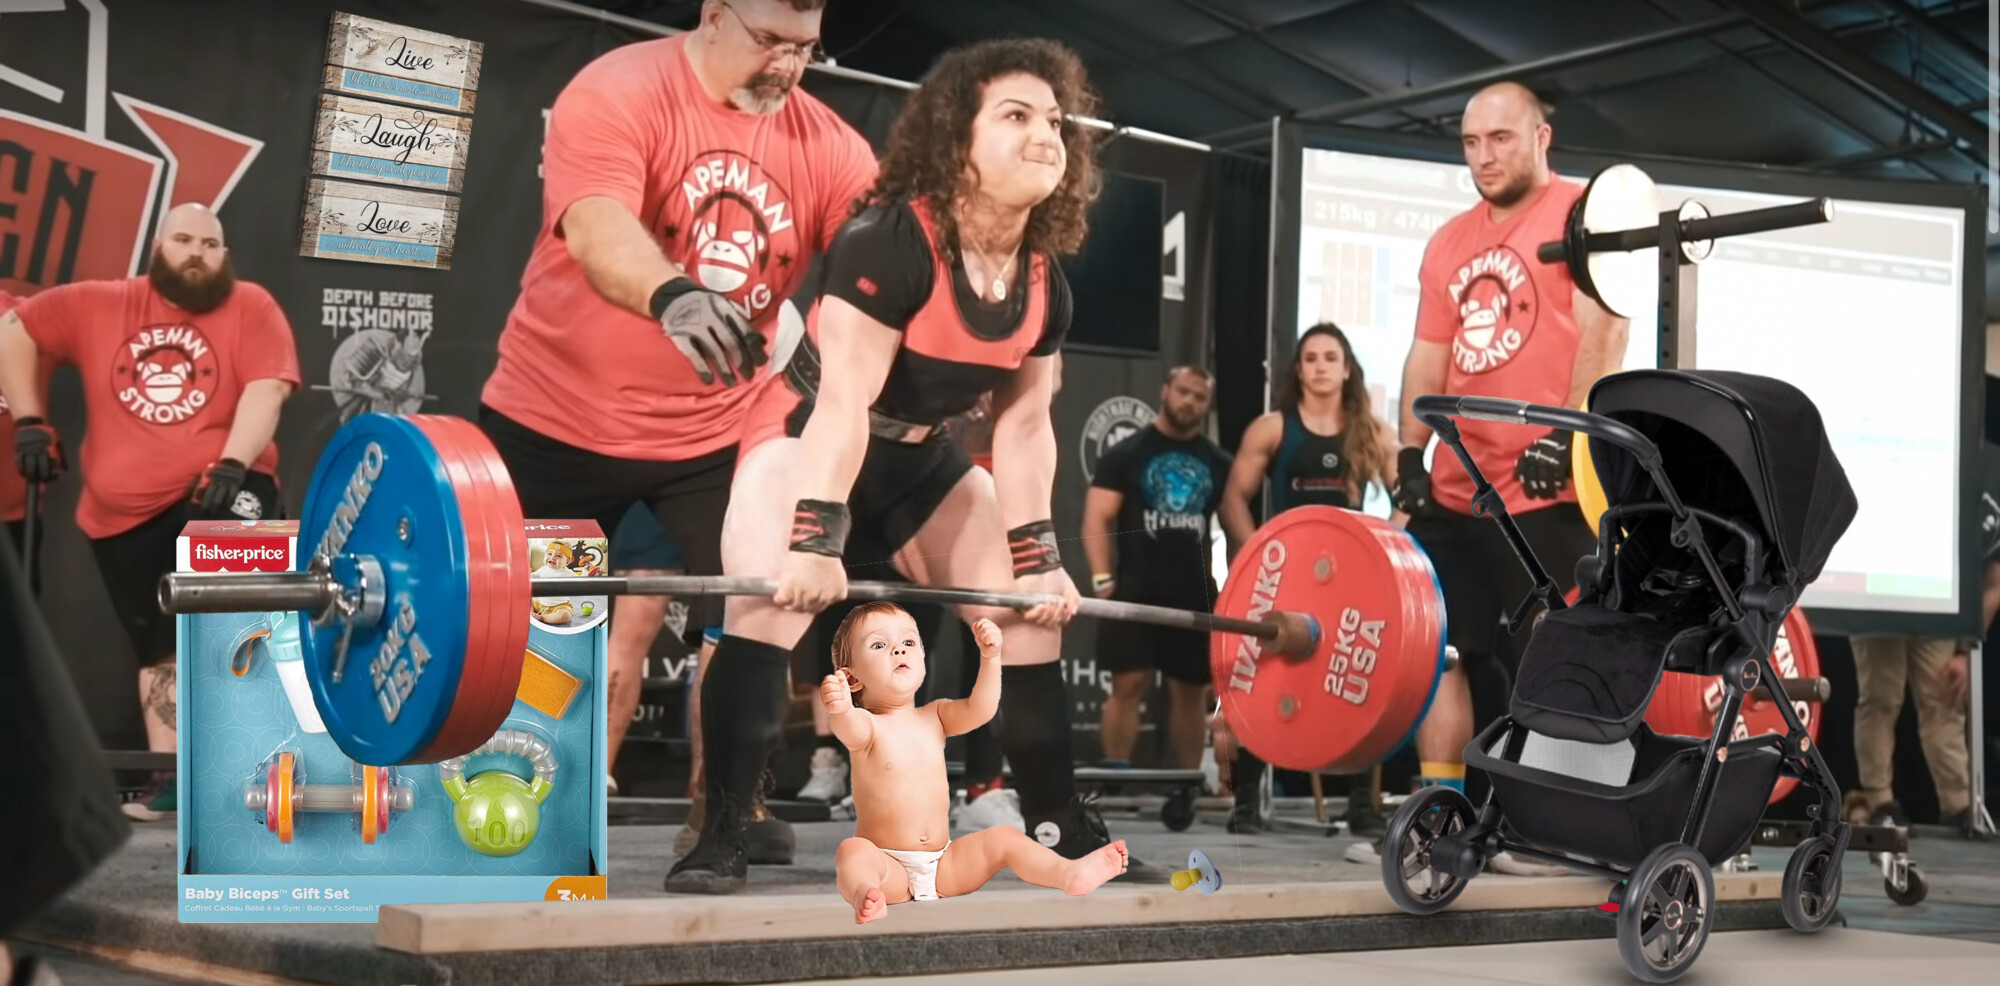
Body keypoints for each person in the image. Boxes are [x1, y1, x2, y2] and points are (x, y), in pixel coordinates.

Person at [675, 37, 1168, 894]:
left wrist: (1039, 556)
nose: (1045, 133)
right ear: (956, 139)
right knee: (761, 596)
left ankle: (1057, 821)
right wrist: (815, 536)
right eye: (1015, 116)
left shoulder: (1046, 281)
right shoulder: (891, 241)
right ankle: (723, 829)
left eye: (1054, 120)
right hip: (810, 436)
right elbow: (840, 403)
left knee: (1029, 615)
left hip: (917, 458)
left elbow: (1021, 428)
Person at [475, 0, 876, 859]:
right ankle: (491, 812)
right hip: (552, 419)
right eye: (769, 41)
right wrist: (673, 293)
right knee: (510, 623)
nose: (786, 67)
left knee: (758, 607)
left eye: (807, 49)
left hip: (715, 433)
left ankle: (728, 813)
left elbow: (877, 276)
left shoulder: (835, 147)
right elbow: (596, 225)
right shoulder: (619, 89)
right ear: (714, 14)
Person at [1389, 82, 1628, 872]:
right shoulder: (1451, 240)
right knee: (1444, 654)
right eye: (1471, 143)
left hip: (1544, 489)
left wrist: (1567, 434)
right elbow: (1429, 352)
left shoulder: (1583, 211)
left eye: (1501, 138)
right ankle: (1441, 814)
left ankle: (1547, 826)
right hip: (1460, 490)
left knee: (1548, 656)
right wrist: (1405, 453)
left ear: (1541, 136)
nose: (1485, 156)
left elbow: (1605, 327)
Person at [0, 203, 300, 823]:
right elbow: (15, 331)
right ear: (158, 247)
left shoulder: (253, 306)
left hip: (222, 491)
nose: (197, 252)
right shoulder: (103, 303)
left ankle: (258, 770)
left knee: (239, 620)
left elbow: (268, 387)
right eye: (184, 240)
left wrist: (232, 464)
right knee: (157, 645)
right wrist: (30, 420)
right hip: (119, 516)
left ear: (225, 254)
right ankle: (172, 783)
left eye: (210, 243)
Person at [824, 603, 1127, 923]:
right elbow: (848, 729)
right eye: (879, 644)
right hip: (889, 866)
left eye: (909, 643)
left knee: (1006, 837)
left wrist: (990, 658)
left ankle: (1068, 872)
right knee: (853, 852)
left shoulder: (935, 716)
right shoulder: (868, 725)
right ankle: (866, 894)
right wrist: (840, 708)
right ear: (853, 679)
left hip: (945, 864)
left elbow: (981, 709)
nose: (899, 649)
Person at [1216, 323, 1398, 835]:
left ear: (1346, 369)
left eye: (1329, 357)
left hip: (1350, 580)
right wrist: (1256, 553)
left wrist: (1390, 549)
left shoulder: (1372, 431)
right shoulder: (1272, 428)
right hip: (1284, 573)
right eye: (1310, 358)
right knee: (1262, 679)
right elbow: (1233, 498)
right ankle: (1247, 802)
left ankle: (1362, 803)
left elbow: (1411, 493)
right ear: (1298, 370)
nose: (1320, 366)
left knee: (1358, 680)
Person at [1082, 366, 1230, 774]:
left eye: (1199, 397)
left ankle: (1186, 782)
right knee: (1128, 684)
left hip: (1193, 590)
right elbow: (1096, 519)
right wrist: (1102, 581)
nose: (1190, 402)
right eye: (1183, 392)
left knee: (1189, 690)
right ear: (1166, 391)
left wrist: (1240, 593)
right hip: (1135, 587)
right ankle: (1115, 774)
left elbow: (1237, 528)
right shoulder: (1126, 454)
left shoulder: (1218, 463)